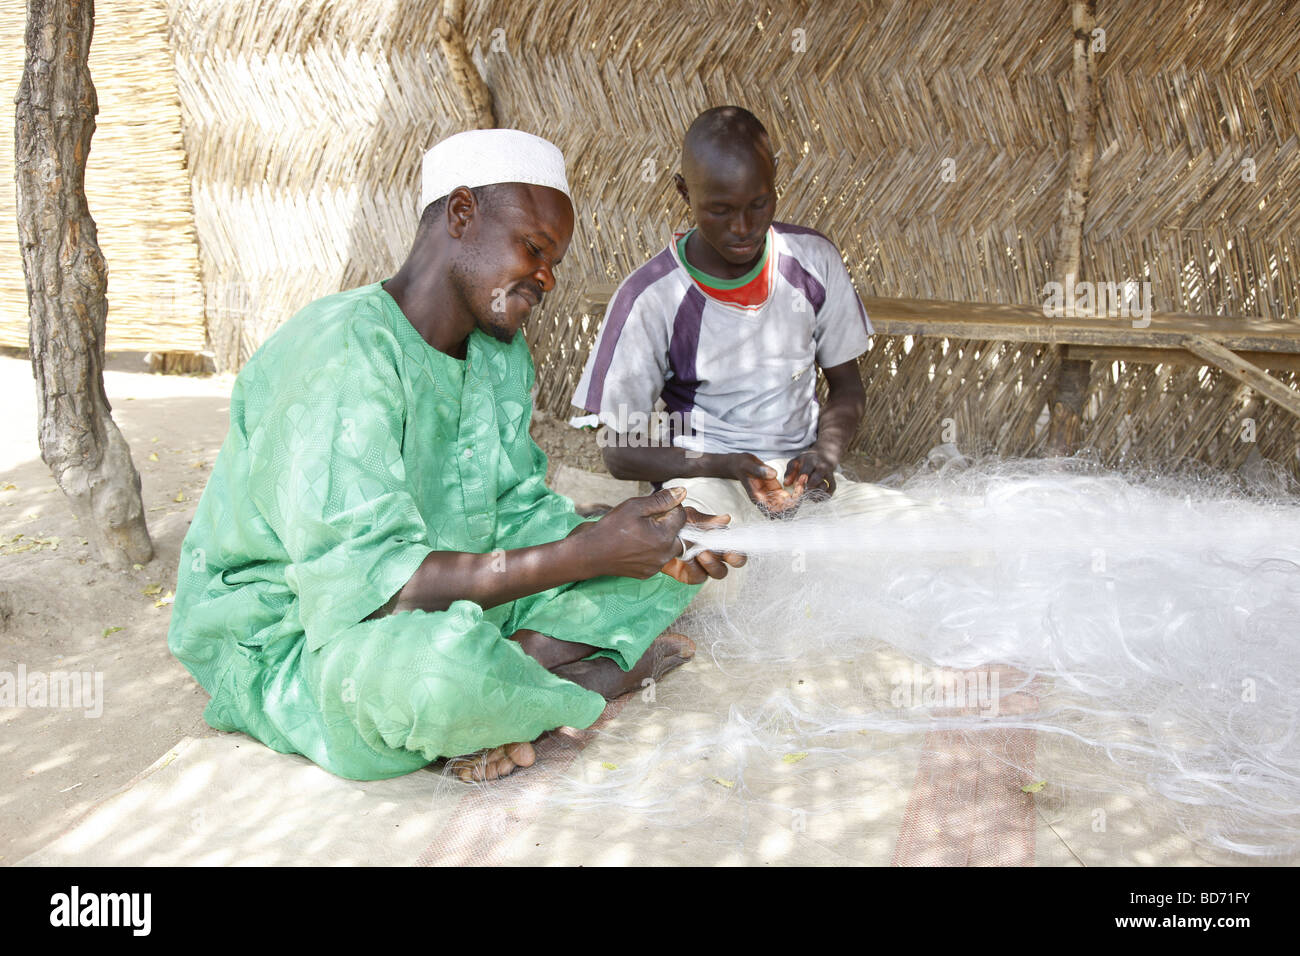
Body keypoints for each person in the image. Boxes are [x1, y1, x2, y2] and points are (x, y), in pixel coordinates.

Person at [167, 129, 743, 784]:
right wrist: (585, 555)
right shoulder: (339, 351)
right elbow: (376, 585)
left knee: (657, 577)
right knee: (435, 678)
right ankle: (555, 682)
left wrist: (636, 540)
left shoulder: (499, 353)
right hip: (300, 632)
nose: (547, 278)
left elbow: (517, 513)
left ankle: (516, 687)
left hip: (457, 596)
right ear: (461, 214)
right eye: (534, 248)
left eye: (553, 261)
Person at [573, 106, 882, 523]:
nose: (743, 227)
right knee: (715, 568)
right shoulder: (651, 298)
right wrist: (724, 464)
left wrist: (823, 456)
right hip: (705, 483)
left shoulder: (813, 261)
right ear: (684, 192)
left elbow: (847, 389)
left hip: (801, 478)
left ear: (774, 176)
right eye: (721, 210)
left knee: (913, 555)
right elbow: (619, 451)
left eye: (758, 204)